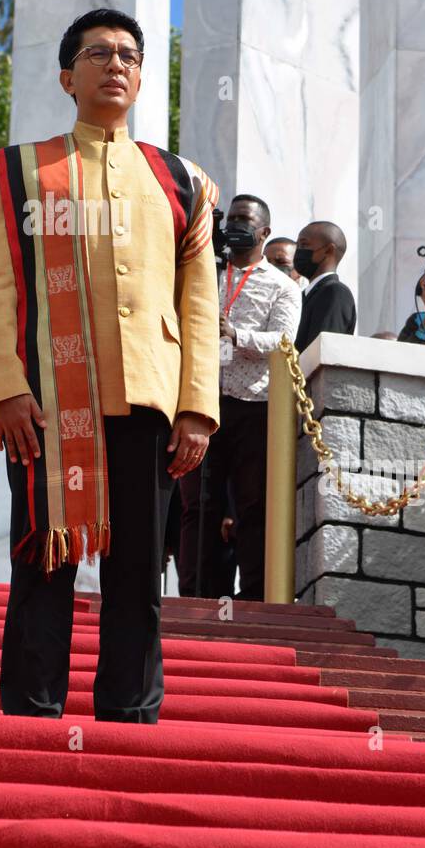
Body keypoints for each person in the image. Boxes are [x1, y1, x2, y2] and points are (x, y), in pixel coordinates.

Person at [0, 7, 221, 723]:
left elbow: (198, 302)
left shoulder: (180, 180)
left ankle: (130, 715)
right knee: (43, 561)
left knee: (140, 572)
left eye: (128, 56)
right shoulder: (23, 171)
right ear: (66, 76)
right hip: (47, 402)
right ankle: (31, 709)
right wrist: (6, 390)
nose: (115, 64)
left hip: (150, 401)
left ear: (140, 78)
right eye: (98, 54)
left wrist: (197, 408)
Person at [180, 195, 302, 601]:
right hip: (202, 401)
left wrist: (236, 335)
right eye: (231, 218)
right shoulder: (205, 272)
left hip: (254, 407)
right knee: (199, 505)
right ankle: (197, 593)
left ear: (264, 232)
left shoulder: (283, 286)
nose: (235, 225)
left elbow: (284, 341)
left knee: (253, 506)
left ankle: (253, 598)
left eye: (245, 220)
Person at [293, 220, 357, 354]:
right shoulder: (304, 295)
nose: (298, 252)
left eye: (304, 245)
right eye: (297, 246)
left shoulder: (335, 292)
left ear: (328, 250)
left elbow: (322, 353)